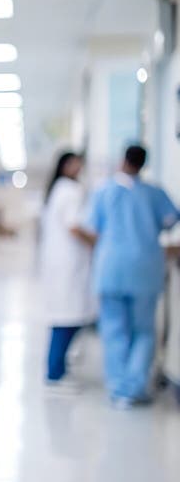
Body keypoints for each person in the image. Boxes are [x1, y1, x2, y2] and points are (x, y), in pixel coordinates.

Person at [82, 145, 180, 408]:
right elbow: (172, 219)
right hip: (145, 270)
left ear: (122, 160)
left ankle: (119, 389)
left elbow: (91, 227)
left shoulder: (103, 192)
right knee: (144, 331)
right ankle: (135, 387)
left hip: (111, 269)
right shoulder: (154, 194)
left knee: (114, 330)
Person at [40, 151, 95, 393]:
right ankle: (54, 372)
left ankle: (58, 367)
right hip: (68, 264)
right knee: (67, 316)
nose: (79, 168)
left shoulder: (59, 189)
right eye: (75, 164)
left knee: (66, 315)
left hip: (63, 263)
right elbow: (74, 227)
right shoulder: (71, 191)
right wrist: (98, 241)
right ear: (64, 165)